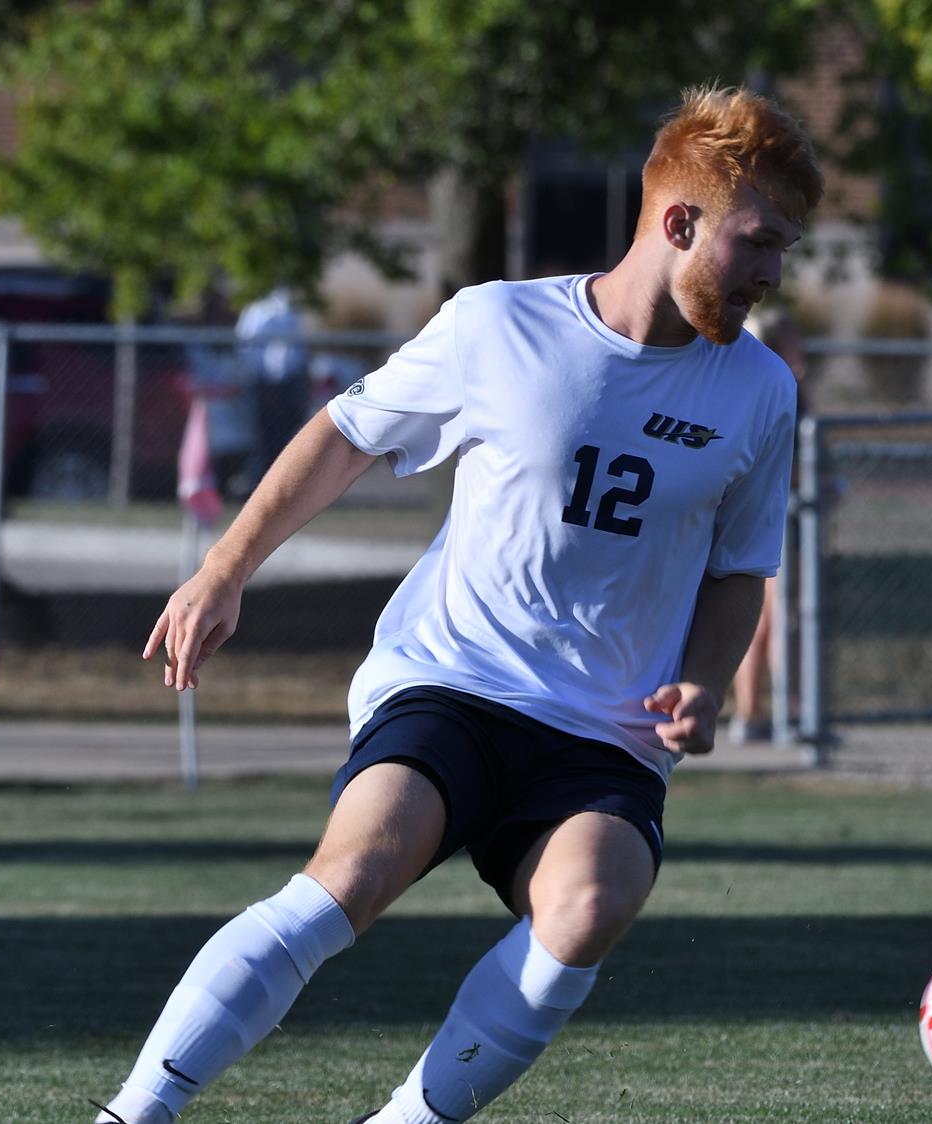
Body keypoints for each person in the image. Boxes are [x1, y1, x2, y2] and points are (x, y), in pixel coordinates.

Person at [102, 85, 819, 1124]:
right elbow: (344, 435)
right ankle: (133, 1112)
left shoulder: (758, 387)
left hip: (603, 730)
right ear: (677, 223)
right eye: (758, 242)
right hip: (454, 680)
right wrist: (224, 568)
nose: (770, 273)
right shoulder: (499, 323)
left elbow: (738, 568)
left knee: (588, 902)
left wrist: (704, 683)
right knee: (354, 869)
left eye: (783, 249)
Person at [729, 306, 807, 743]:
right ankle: (758, 712)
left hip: (790, 521)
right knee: (766, 618)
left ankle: (781, 712)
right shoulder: (768, 388)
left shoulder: (796, 388)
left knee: (782, 618)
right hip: (767, 519)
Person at [235, 285, 311, 482]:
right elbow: (247, 347)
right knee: (260, 436)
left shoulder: (292, 313)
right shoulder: (257, 311)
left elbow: (297, 351)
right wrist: (262, 380)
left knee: (285, 436)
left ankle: (283, 482)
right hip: (260, 382)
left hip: (288, 383)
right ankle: (256, 482)